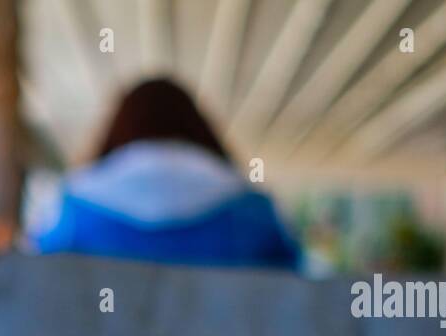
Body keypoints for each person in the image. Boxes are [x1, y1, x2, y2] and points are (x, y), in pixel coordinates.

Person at [33, 78, 299, 269]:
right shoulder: (255, 213)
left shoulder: (73, 211)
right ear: (200, 132)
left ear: (115, 133)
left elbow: (35, 287)